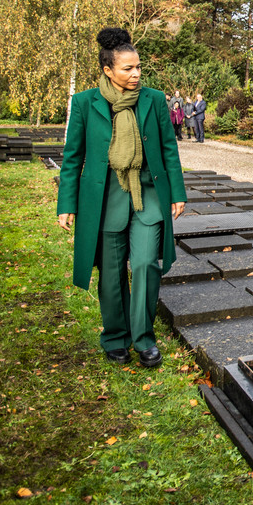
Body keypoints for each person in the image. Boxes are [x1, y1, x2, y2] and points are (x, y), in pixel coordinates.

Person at [56, 27, 187, 368]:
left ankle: (143, 339)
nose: (136, 74)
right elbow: (73, 157)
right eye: (128, 68)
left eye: (138, 67)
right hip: (105, 200)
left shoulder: (154, 99)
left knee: (145, 264)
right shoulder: (85, 102)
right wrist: (67, 204)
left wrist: (176, 192)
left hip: (148, 197)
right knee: (111, 273)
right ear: (108, 70)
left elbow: (168, 149)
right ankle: (115, 337)